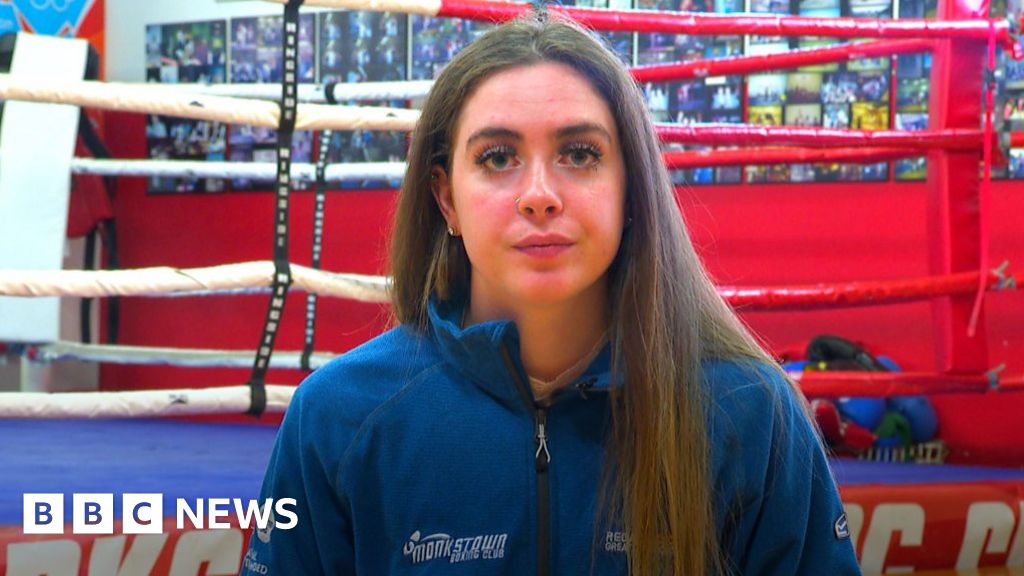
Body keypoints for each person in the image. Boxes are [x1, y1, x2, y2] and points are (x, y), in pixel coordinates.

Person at [241, 13, 861, 576]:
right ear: (446, 198)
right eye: (498, 156)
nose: (540, 194)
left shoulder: (749, 412)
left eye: (580, 154)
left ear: (630, 191)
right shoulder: (338, 418)